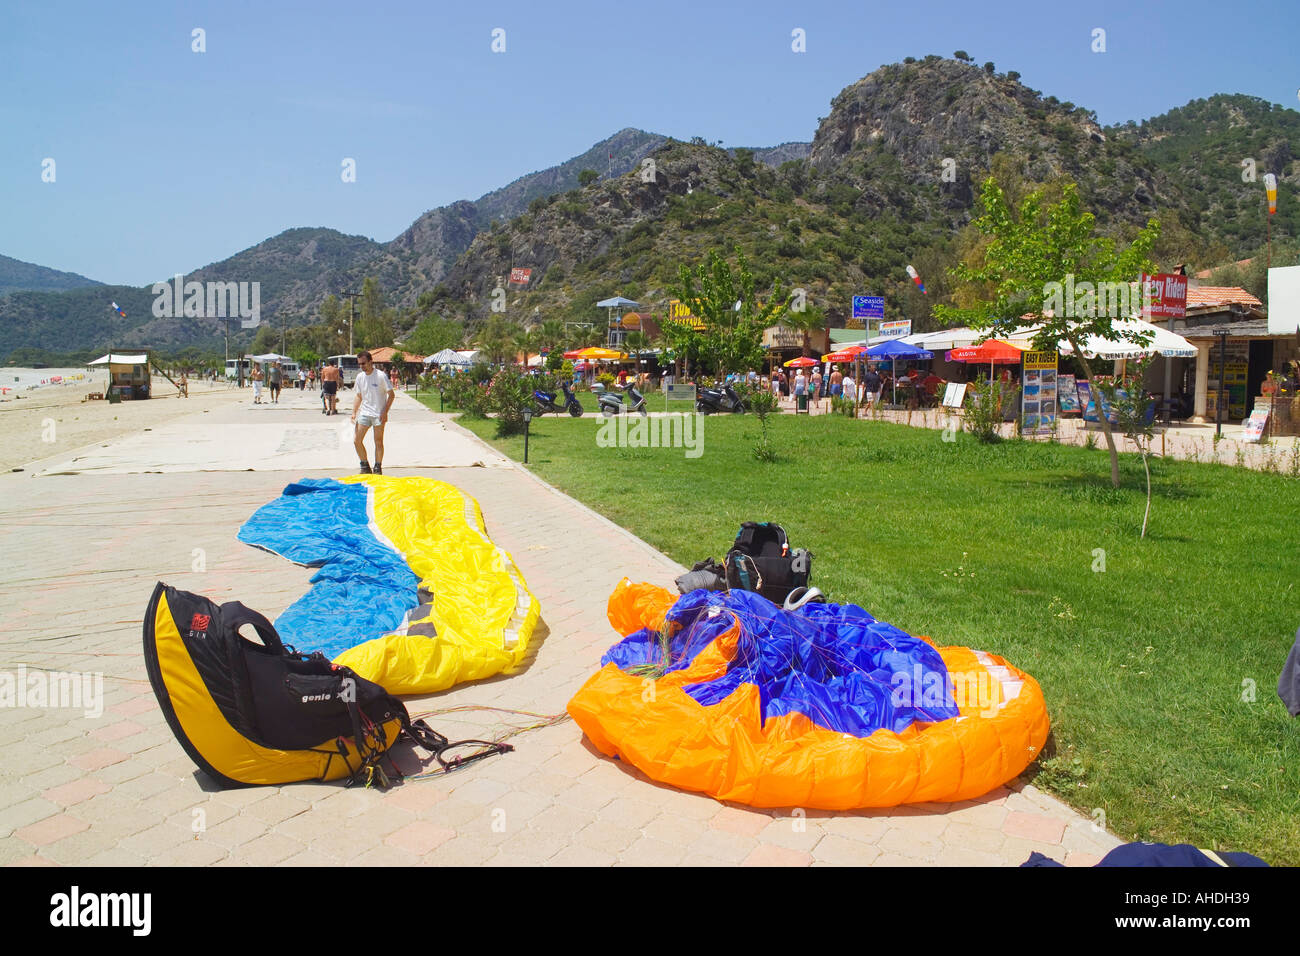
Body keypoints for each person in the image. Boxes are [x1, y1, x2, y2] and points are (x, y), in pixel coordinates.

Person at [352, 351, 394, 475]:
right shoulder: (360, 377)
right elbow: (359, 396)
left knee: (378, 441)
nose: (362, 366)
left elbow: (391, 395)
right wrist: (354, 412)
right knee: (357, 440)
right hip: (365, 413)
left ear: (371, 362)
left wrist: (385, 412)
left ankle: (378, 467)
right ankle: (364, 465)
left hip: (378, 414)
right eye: (359, 364)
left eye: (364, 363)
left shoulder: (381, 376)